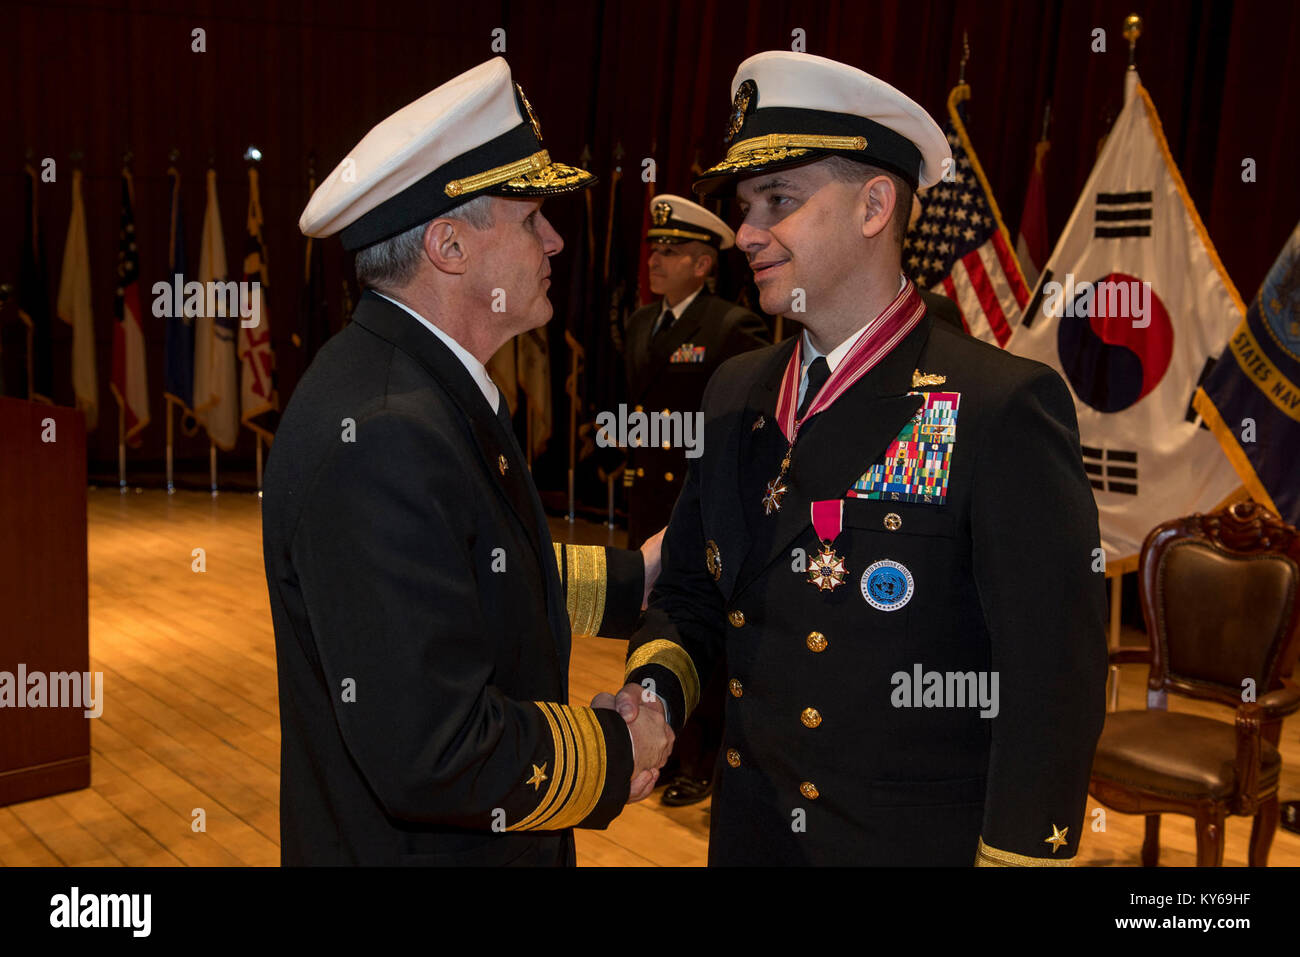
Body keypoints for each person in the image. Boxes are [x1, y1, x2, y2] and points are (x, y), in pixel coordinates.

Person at [614, 51, 1107, 866]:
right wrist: (656, 697)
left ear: (876, 204)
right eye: (744, 206)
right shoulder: (737, 390)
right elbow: (696, 595)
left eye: (779, 200)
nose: (745, 232)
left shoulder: (997, 406)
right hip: (749, 836)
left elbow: (1051, 677)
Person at [264, 57, 673, 866]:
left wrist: (636, 580)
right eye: (530, 219)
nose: (556, 237)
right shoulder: (386, 430)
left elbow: (466, 574)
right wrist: (619, 750)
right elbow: (433, 746)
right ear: (448, 246)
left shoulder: (414, 382)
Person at [621, 193, 767, 808]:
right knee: (660, 622)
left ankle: (701, 760)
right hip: (644, 499)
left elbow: (742, 433)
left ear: (705, 264)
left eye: (673, 250)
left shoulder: (731, 327)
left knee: (705, 627)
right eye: (654, 248)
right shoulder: (637, 323)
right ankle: (665, 740)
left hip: (700, 501)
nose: (657, 259)